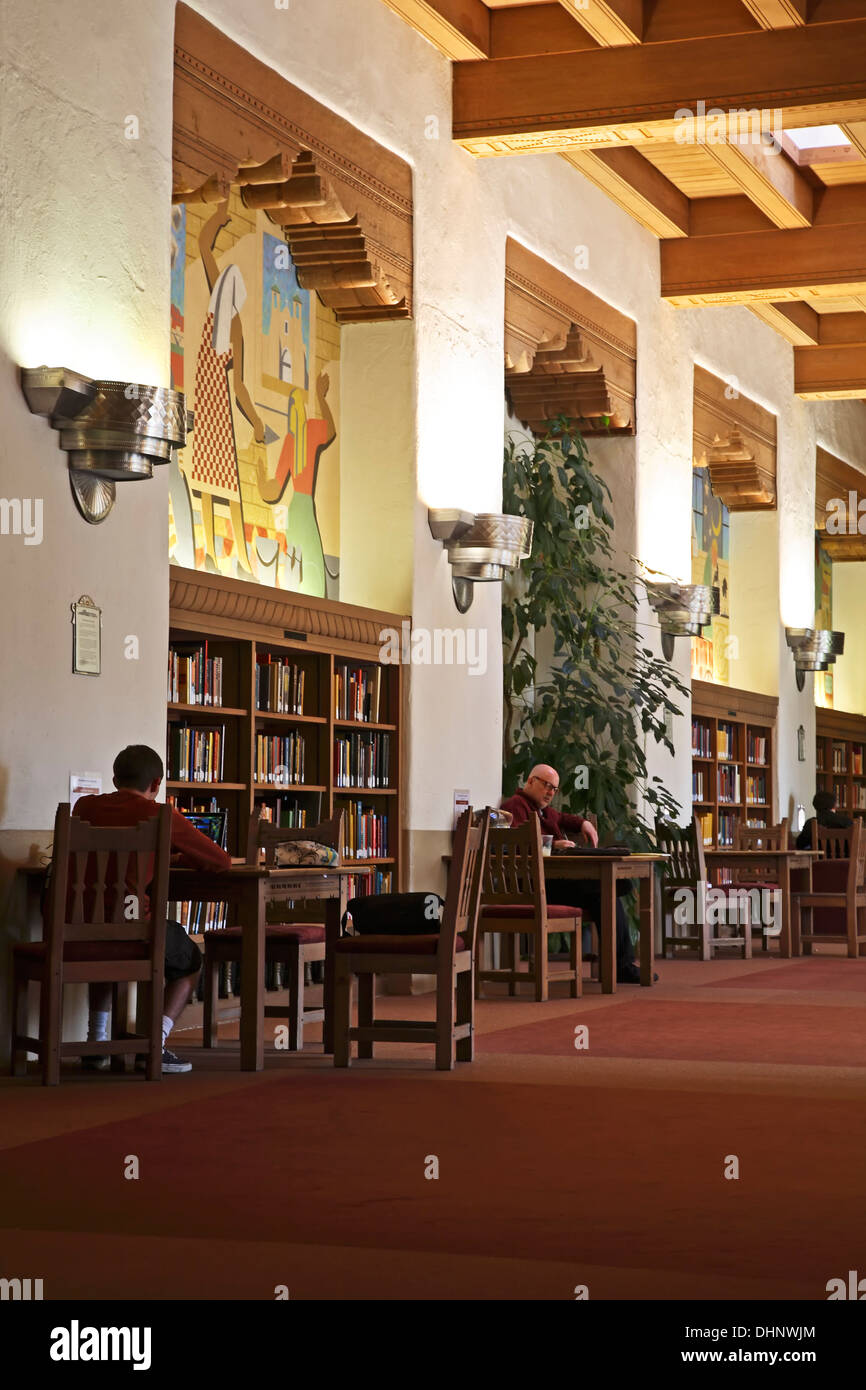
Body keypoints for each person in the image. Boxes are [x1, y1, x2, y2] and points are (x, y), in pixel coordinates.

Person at [73, 745, 232, 1073]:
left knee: (103, 940)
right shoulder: (160, 815)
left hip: (77, 926)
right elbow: (220, 861)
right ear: (157, 784)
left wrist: (163, 856)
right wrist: (177, 855)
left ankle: (96, 1042)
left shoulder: (84, 806)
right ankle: (155, 1044)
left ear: (115, 779)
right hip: (131, 922)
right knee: (190, 959)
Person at [500, 764, 645, 984]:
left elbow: (564, 818)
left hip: (551, 882)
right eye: (547, 785)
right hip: (532, 885)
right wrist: (553, 845)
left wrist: (584, 823)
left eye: (554, 789)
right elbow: (516, 847)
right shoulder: (515, 806)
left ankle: (622, 966)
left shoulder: (544, 812)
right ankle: (622, 967)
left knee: (605, 893)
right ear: (530, 781)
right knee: (607, 890)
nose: (550, 792)